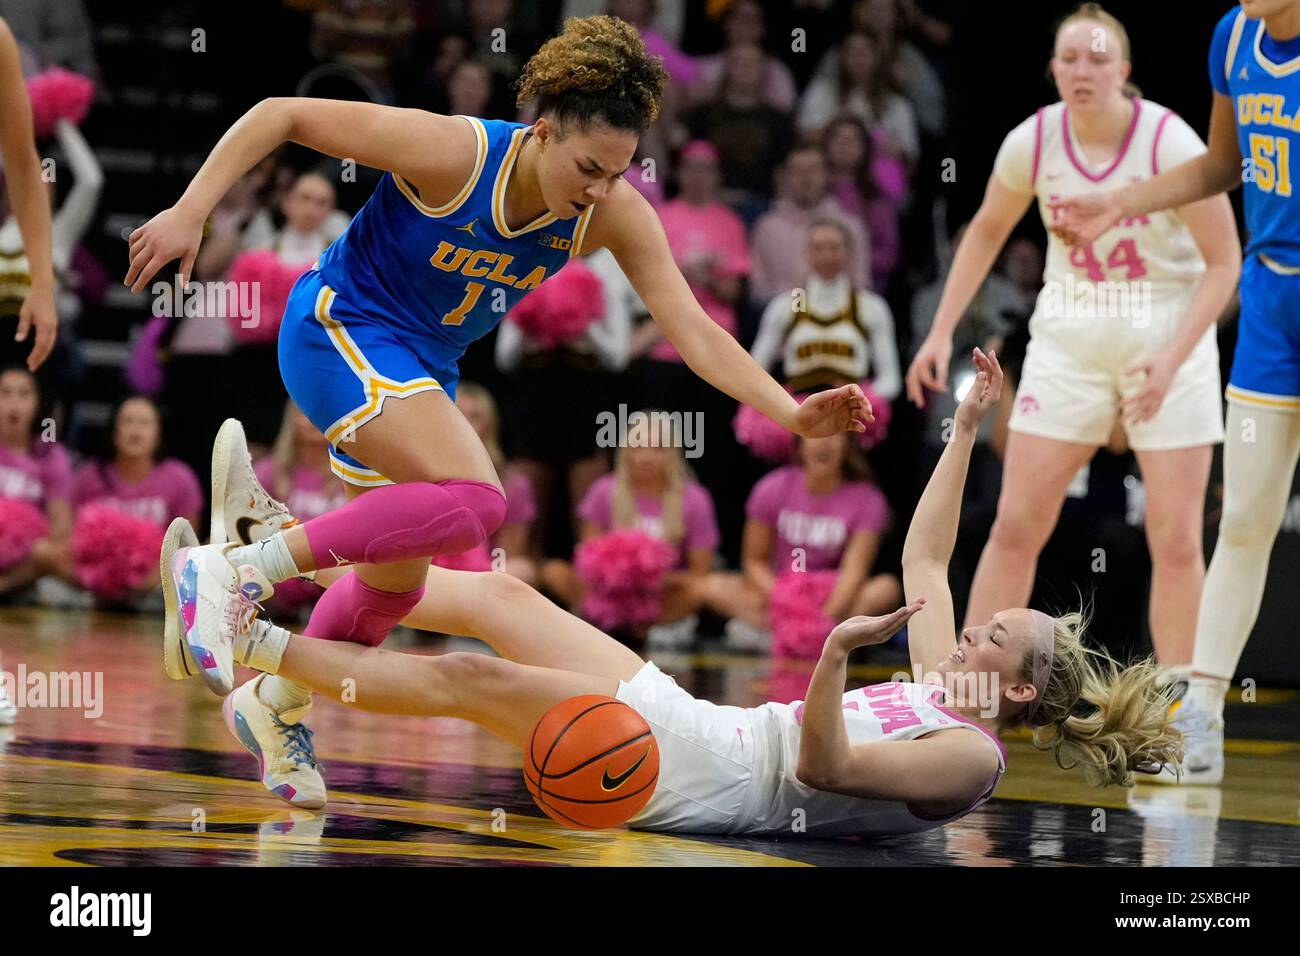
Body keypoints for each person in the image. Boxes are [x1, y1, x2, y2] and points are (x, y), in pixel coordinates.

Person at [137, 15, 871, 808]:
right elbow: (284, 112)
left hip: (419, 374)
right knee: (480, 500)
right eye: (589, 166)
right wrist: (192, 210)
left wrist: (789, 412)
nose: (599, 189)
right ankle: (234, 568)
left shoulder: (609, 210)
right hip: (337, 330)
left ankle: (274, 701)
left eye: (617, 173)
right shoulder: (456, 153)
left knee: (393, 589)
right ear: (543, 131)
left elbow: (691, 328)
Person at [168, 349, 1183, 833]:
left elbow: (825, 766)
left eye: (990, 638)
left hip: (709, 779)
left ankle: (245, 639)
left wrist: (831, 653)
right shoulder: (943, 688)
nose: (970, 634)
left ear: (1010, 688)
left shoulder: (966, 753)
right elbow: (925, 559)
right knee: (495, 597)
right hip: (712, 725)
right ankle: (273, 552)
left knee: (471, 676)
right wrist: (965, 431)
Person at [904, 4, 1240, 771]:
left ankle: (1188, 722)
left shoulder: (1169, 139)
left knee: (1178, 537)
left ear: (1125, 70)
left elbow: (1226, 263)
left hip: (1168, 333)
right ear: (1053, 70)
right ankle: (968, 700)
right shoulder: (1035, 138)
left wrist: (1177, 356)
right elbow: (986, 229)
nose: (1082, 70)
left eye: (1098, 58)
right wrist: (937, 330)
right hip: (1069, 340)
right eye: (1069, 59)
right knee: (1017, 522)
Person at [1053, 0, 1300, 786]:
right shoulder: (1233, 36)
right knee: (1247, 520)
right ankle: (1200, 719)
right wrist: (1121, 200)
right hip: (1269, 306)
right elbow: (1223, 166)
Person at [702, 430, 898, 653]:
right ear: (799, 443)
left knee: (886, 589)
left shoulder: (868, 500)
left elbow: (854, 572)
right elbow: (754, 561)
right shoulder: (771, 487)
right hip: (780, 593)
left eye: (834, 435)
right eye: (814, 434)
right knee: (712, 585)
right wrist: (788, 601)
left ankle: (810, 635)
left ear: (848, 445)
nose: (823, 442)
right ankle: (800, 635)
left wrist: (821, 620)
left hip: (835, 597)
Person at [540, 411, 719, 650]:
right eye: (638, 447)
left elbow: (700, 572)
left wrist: (647, 577)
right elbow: (587, 557)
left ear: (672, 455)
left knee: (704, 588)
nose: (646, 457)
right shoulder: (603, 490)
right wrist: (618, 575)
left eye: (657, 448)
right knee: (554, 571)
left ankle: (655, 627)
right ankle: (600, 618)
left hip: (662, 591)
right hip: (609, 589)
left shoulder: (695, 498)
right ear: (626, 452)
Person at [751, 219, 901, 397]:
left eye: (834, 247)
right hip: (800, 415)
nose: (826, 256)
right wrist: (784, 406)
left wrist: (857, 403)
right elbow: (754, 372)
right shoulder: (788, 305)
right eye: (818, 248)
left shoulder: (870, 306)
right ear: (806, 253)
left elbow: (890, 379)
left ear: (848, 252)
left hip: (851, 414)